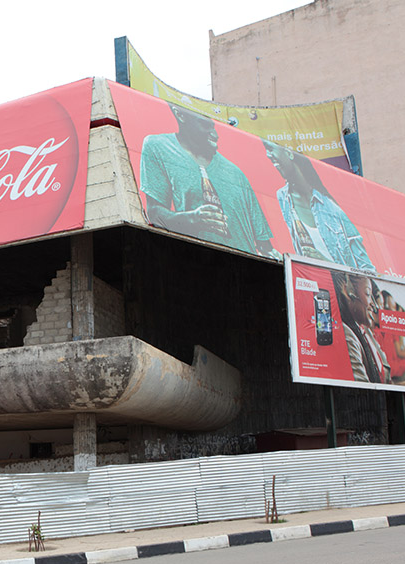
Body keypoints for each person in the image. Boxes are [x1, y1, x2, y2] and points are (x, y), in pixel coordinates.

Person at [140, 104, 279, 258]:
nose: (214, 134)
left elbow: (265, 245)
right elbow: (154, 214)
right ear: (180, 115)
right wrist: (193, 219)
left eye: (214, 126)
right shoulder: (158, 146)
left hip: (244, 273)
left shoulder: (236, 173)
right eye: (205, 125)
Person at [263, 140, 375, 271]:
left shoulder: (333, 208)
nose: (267, 154)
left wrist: (326, 263)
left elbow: (367, 270)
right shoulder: (282, 197)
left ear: (290, 153)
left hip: (341, 288)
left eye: (270, 148)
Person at [333, 271, 388, 383]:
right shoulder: (347, 335)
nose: (374, 305)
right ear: (348, 292)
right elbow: (363, 387)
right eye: (368, 294)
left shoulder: (365, 332)